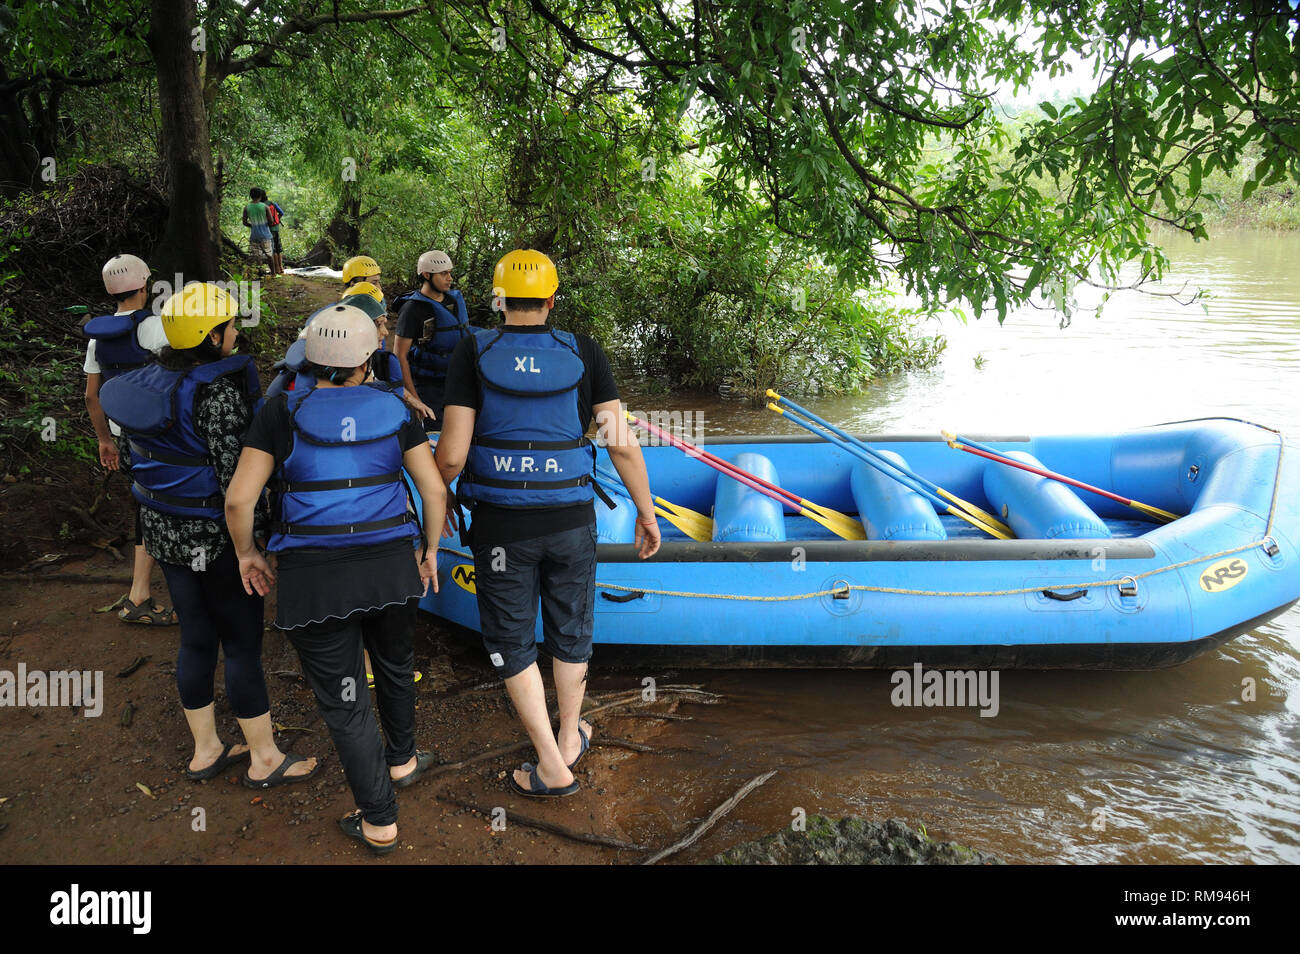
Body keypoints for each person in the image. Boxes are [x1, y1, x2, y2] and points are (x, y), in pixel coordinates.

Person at [435, 249, 660, 798]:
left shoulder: (472, 350)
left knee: (511, 639)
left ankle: (550, 763)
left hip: (500, 528)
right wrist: (646, 514)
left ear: (499, 299)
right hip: (569, 522)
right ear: (552, 300)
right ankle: (567, 737)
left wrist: (438, 509)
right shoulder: (585, 351)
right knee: (571, 629)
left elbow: (451, 457)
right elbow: (621, 445)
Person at [226, 304, 446, 853]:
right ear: (368, 358)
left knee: (347, 700)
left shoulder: (279, 411)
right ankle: (403, 761)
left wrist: (248, 554)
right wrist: (431, 551)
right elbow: (434, 490)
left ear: (310, 358)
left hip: (313, 576)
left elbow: (238, 499)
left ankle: (379, 819)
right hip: (392, 566)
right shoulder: (395, 407)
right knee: (396, 666)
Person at [99, 283, 318, 788]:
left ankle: (206, 750)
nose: (237, 332)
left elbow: (133, 462)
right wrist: (257, 544)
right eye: (231, 326)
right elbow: (236, 483)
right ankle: (264, 758)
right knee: (241, 644)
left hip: (163, 533)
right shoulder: (216, 392)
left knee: (195, 639)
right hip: (218, 541)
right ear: (211, 333)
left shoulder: (144, 384)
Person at [83, 253, 176, 625]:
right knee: (160, 504)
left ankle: (144, 586)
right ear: (145, 285)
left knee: (145, 503)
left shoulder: (97, 338)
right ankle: (140, 593)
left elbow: (92, 396)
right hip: (162, 435)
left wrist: (105, 440)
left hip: (124, 437)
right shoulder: (159, 328)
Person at [393, 250, 470, 430]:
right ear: (427, 275)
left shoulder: (454, 300)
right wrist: (414, 398)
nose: (449, 278)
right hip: (428, 387)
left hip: (456, 381)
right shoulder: (413, 309)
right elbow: (399, 355)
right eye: (443, 273)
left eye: (450, 272)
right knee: (434, 435)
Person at [241, 189, 273, 277]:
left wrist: (253, 225)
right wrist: (265, 225)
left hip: (254, 235)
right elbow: (271, 221)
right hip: (266, 235)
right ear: (260, 196)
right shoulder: (265, 207)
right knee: (269, 254)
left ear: (250, 196)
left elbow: (244, 222)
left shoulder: (247, 207)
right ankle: (273, 273)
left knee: (257, 256)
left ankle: (260, 274)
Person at [260, 189, 286, 277]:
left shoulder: (262, 205)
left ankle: (276, 270)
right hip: (276, 228)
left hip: (268, 229)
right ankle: (281, 268)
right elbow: (282, 212)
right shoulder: (272, 203)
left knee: (273, 249)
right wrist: (277, 219)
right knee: (279, 249)